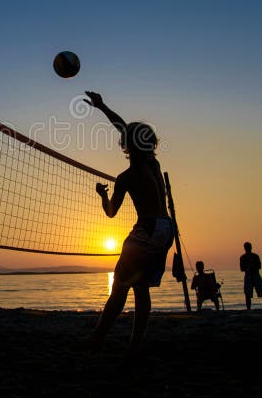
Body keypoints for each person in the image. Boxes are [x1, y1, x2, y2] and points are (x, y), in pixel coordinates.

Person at [83, 91, 175, 354]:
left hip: (147, 229)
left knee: (120, 286)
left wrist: (102, 196)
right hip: (166, 228)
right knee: (141, 289)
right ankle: (134, 344)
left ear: (127, 144)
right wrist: (102, 107)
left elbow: (111, 212)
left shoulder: (126, 176)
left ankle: (98, 338)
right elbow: (124, 127)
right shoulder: (154, 163)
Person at [239, 242, 262, 310]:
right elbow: (242, 269)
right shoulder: (242, 257)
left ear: (251, 247)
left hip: (256, 275)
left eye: (248, 247)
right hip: (248, 276)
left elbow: (259, 266)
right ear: (244, 248)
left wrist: (253, 267)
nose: (247, 248)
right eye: (246, 247)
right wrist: (248, 268)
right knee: (248, 294)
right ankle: (248, 309)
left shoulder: (255, 256)